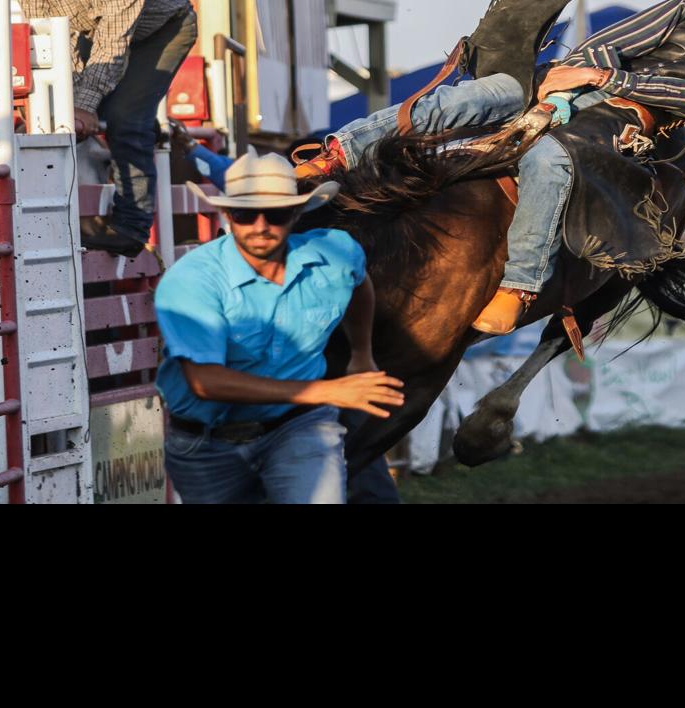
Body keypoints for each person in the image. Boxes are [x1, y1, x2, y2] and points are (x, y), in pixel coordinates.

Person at [295, 0, 685, 335]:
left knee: (548, 159)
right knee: (467, 97)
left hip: (623, 122)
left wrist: (607, 82)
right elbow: (613, 40)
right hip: (558, 82)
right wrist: (572, 78)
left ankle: (520, 285)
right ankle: (336, 156)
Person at [153, 152, 405, 504]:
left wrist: (361, 354)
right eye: (244, 214)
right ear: (227, 215)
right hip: (206, 444)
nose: (260, 226)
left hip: (299, 427)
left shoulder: (336, 253)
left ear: (296, 214)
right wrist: (328, 392)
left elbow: (359, 282)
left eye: (275, 214)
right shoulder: (193, 279)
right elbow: (204, 381)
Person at [24, 0, 199, 257]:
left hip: (162, 31)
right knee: (72, 110)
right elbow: (50, 34)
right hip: (97, 29)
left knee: (124, 117)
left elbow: (113, 43)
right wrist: (71, 100)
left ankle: (132, 226)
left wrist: (84, 103)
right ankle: (54, 220)